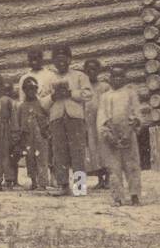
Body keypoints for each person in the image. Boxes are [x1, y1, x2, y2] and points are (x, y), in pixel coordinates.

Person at [97, 65, 144, 206]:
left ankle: (135, 195)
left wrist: (132, 127)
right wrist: (107, 133)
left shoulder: (130, 94)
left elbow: (137, 113)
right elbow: (102, 116)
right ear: (109, 78)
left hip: (128, 134)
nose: (117, 79)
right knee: (114, 168)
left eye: (120, 76)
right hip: (112, 135)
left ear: (125, 78)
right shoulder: (105, 97)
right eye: (114, 76)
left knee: (132, 165)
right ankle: (117, 197)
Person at [48, 80, 86, 196]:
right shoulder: (50, 77)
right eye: (57, 60)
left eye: (63, 60)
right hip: (57, 118)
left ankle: (79, 187)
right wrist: (53, 97)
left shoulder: (78, 76)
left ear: (69, 60)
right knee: (59, 153)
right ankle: (63, 185)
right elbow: (42, 101)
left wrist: (71, 93)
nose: (61, 62)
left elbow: (88, 95)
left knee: (78, 152)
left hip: (75, 118)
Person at [16, 76, 51, 191]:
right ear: (24, 90)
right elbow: (19, 122)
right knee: (30, 159)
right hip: (27, 136)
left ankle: (43, 183)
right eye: (27, 89)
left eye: (33, 88)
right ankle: (34, 181)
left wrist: (46, 130)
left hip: (41, 135)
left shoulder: (42, 103)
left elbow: (47, 117)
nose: (30, 91)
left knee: (42, 159)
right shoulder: (21, 107)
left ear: (37, 89)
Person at [82, 58, 110, 191]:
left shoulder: (104, 87)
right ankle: (100, 179)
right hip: (89, 123)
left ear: (98, 71)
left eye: (94, 69)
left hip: (102, 121)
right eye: (88, 70)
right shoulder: (83, 88)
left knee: (105, 149)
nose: (91, 72)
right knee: (94, 151)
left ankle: (109, 179)